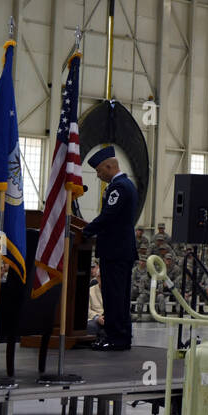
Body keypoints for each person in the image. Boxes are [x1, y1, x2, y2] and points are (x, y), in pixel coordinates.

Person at [82, 146, 138, 350]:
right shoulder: (125, 185)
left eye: (98, 171)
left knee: (115, 296)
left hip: (115, 250)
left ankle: (115, 338)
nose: (98, 175)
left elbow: (109, 216)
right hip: (119, 250)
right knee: (118, 296)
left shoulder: (119, 187)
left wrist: (86, 231)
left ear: (109, 166)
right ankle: (121, 336)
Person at [86, 262, 106, 338]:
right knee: (90, 326)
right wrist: (97, 318)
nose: (102, 279)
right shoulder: (90, 291)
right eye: (100, 276)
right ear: (97, 278)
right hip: (96, 319)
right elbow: (87, 310)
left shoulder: (114, 292)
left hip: (111, 319)